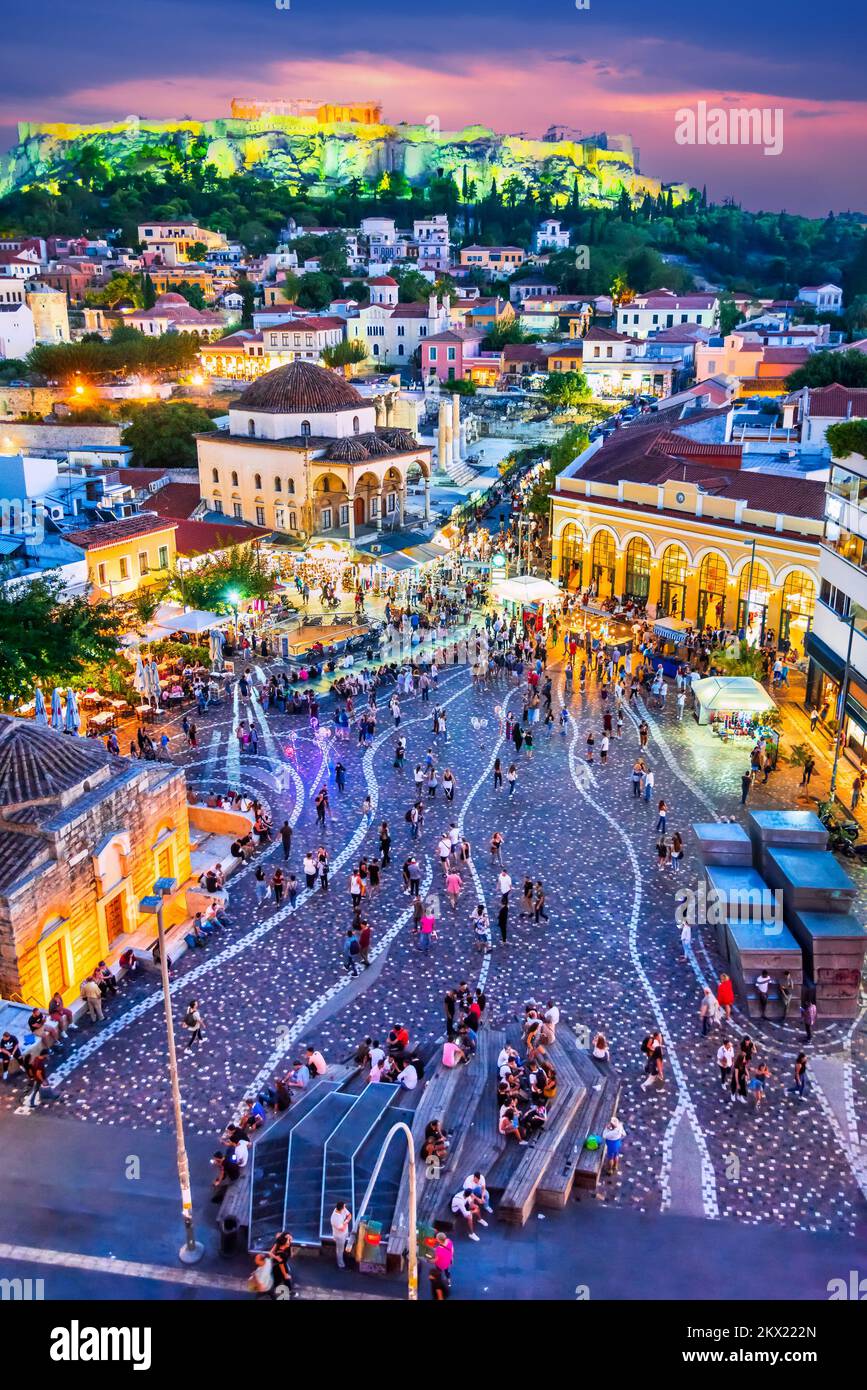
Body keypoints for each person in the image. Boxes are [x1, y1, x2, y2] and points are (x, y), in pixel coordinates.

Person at [330, 1201, 353, 1268]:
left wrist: (345, 1222)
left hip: (345, 1233)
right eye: (344, 1206)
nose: (345, 1207)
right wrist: (346, 1222)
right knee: (339, 1250)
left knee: (342, 1247)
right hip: (339, 1236)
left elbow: (349, 1215)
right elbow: (342, 1229)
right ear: (341, 1208)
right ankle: (341, 1264)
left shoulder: (342, 1209)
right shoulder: (334, 1218)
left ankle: (344, 1255)